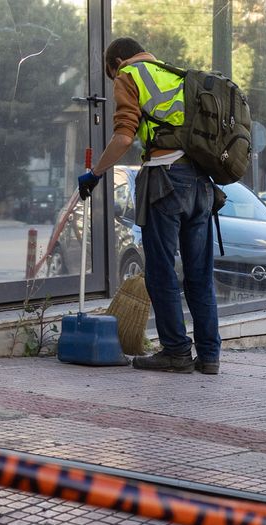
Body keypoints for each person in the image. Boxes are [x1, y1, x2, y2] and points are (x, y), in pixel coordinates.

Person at [79, 37, 223, 375]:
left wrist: (95, 173)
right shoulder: (174, 74)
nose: (115, 80)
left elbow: (124, 136)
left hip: (166, 180)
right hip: (202, 183)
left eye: (112, 74)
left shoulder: (129, 75)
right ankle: (209, 356)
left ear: (116, 62)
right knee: (200, 274)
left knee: (160, 272)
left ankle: (175, 352)